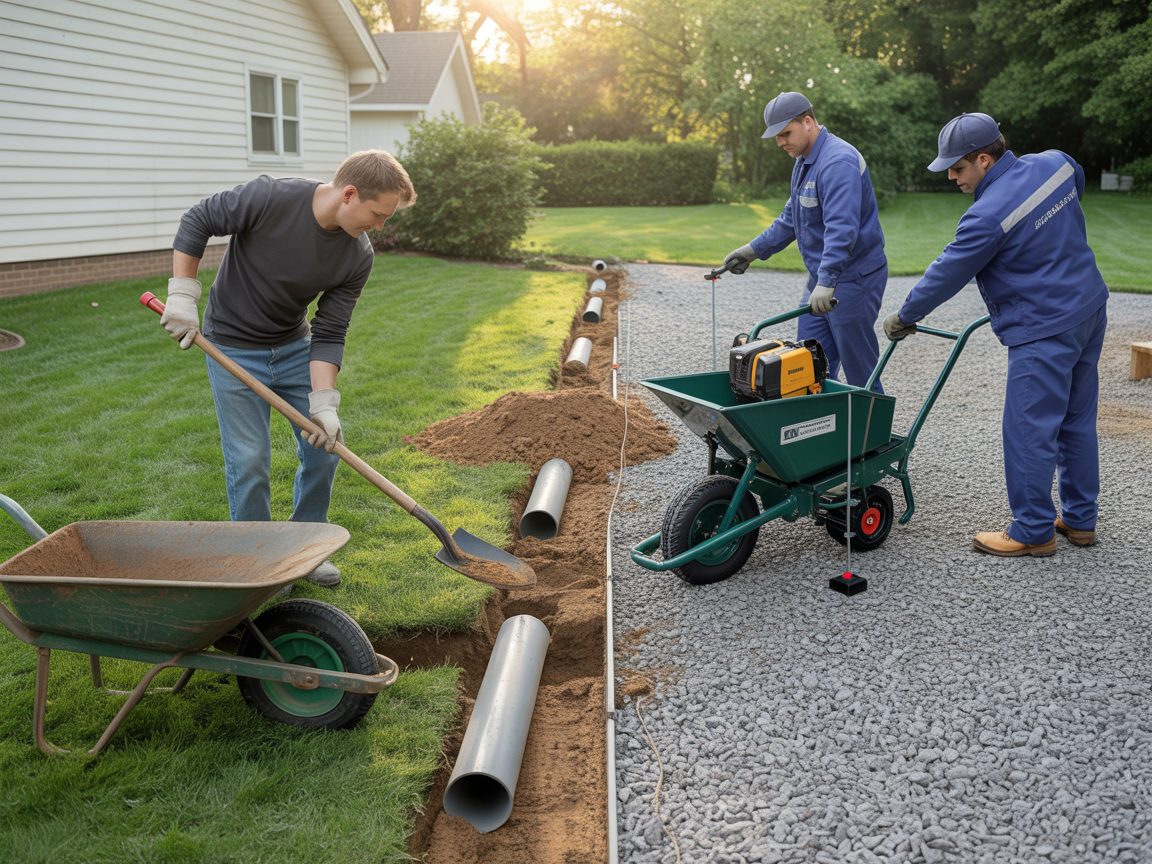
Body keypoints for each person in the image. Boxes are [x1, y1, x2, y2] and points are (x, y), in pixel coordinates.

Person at [160, 150, 416, 588]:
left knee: (326, 446)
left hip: (295, 347)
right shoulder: (270, 197)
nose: (379, 227)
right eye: (378, 215)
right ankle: (257, 560)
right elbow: (198, 219)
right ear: (349, 195)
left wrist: (324, 403)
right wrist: (183, 294)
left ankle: (306, 546)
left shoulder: (358, 255)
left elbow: (330, 329)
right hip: (232, 346)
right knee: (249, 461)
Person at [883, 113, 1108, 557]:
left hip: (1043, 330)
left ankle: (1033, 530)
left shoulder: (986, 216)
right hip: (1089, 310)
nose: (951, 177)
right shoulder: (1055, 162)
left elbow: (947, 272)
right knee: (1077, 420)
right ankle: (1080, 520)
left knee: (1028, 430)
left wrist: (905, 315)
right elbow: (1076, 186)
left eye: (957, 168)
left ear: (984, 159)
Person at [724, 91, 888, 392]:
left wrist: (827, 281)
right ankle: (825, 421)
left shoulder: (838, 161)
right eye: (776, 136)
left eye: (785, 133)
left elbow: (842, 229)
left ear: (808, 122)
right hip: (822, 280)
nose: (780, 142)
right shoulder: (804, 161)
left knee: (860, 373)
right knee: (810, 368)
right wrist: (750, 251)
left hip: (853, 279)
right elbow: (791, 219)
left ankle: (871, 423)